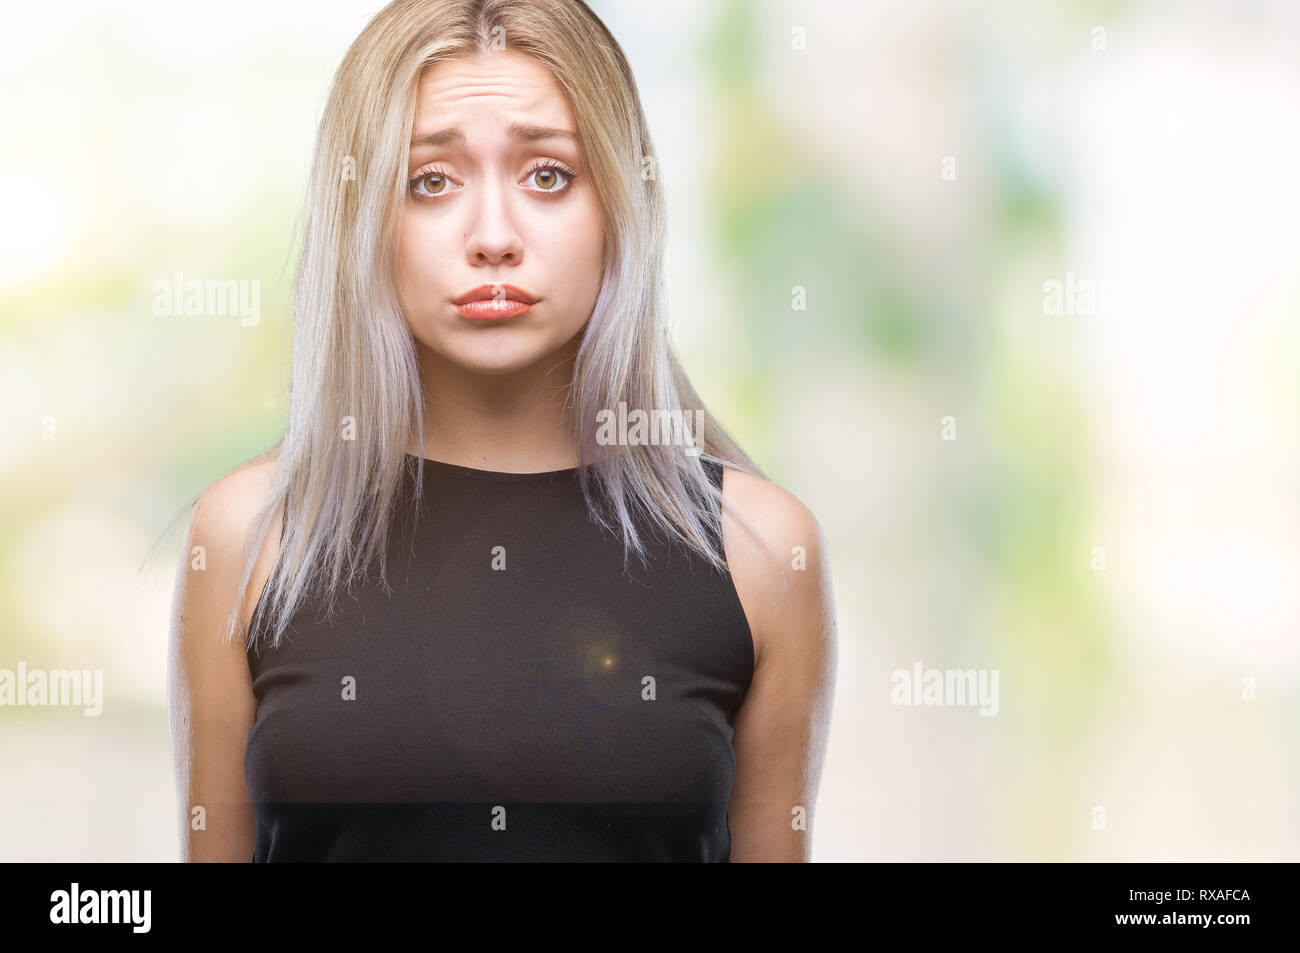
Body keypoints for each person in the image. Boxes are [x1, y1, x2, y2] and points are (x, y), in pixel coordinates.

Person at [167, 0, 836, 862]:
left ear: (619, 205)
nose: (493, 238)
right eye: (431, 181)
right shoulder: (249, 537)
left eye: (548, 175)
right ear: (365, 217)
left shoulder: (761, 551)